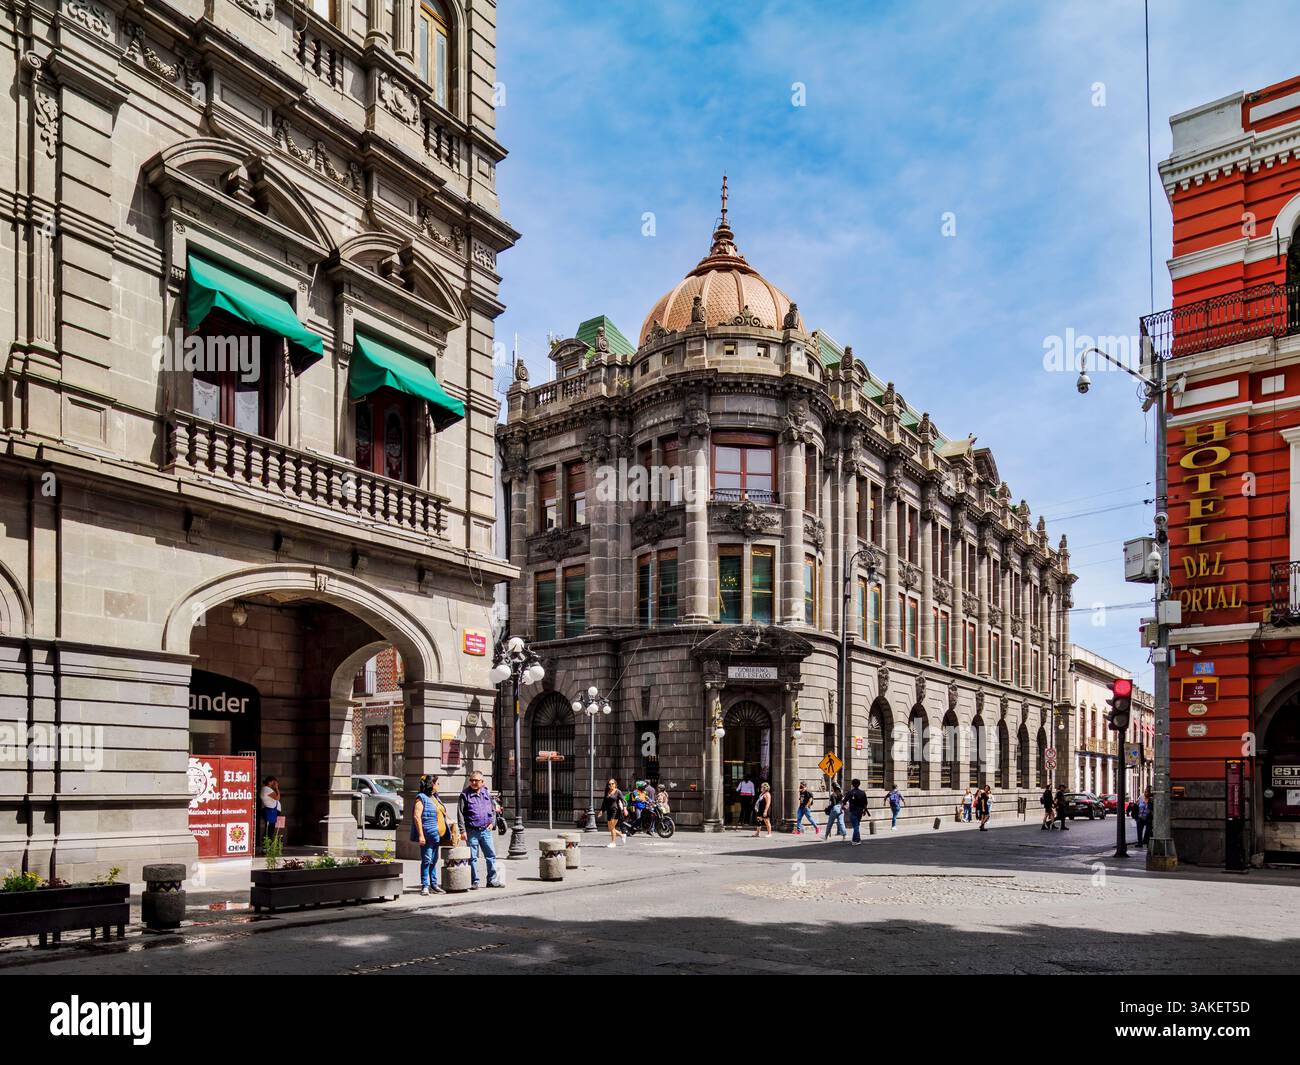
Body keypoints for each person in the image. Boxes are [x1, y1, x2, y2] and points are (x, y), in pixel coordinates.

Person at [457, 771, 503, 888]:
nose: (473, 782)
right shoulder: (465, 795)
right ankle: (474, 881)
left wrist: (492, 823)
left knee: (491, 856)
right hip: (472, 830)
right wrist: (462, 830)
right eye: (471, 780)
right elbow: (460, 814)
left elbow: (493, 809)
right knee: (473, 857)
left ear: (482, 782)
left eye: (476, 781)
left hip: (486, 831)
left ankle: (491, 880)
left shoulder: (486, 793)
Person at [413, 774, 450, 895]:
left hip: (436, 835)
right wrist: (421, 836)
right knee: (426, 860)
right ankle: (425, 885)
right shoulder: (421, 798)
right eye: (437, 783)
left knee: (434, 860)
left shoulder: (434, 797)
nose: (438, 785)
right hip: (427, 835)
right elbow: (417, 817)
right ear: (432, 784)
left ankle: (434, 884)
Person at [601, 778, 626, 847]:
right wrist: (602, 810)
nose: (611, 785)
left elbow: (624, 800)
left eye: (612, 784)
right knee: (610, 828)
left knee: (612, 827)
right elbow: (604, 802)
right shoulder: (607, 791)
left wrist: (625, 808)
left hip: (616, 811)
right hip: (609, 811)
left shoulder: (618, 791)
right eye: (609, 784)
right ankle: (622, 835)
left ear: (615, 784)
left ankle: (613, 842)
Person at [844, 778, 868, 845]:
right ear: (859, 784)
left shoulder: (850, 792)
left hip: (853, 811)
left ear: (852, 784)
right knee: (857, 825)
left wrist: (844, 807)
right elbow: (865, 803)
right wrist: (865, 811)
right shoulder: (862, 793)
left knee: (855, 826)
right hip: (860, 811)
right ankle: (856, 839)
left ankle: (856, 840)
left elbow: (844, 801)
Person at [260, 776, 282, 843]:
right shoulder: (267, 789)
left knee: (269, 829)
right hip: (271, 811)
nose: (275, 784)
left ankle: (267, 844)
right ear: (270, 782)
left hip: (272, 811)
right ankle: (266, 845)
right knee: (269, 829)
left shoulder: (266, 789)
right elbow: (277, 797)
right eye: (274, 782)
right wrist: (276, 788)